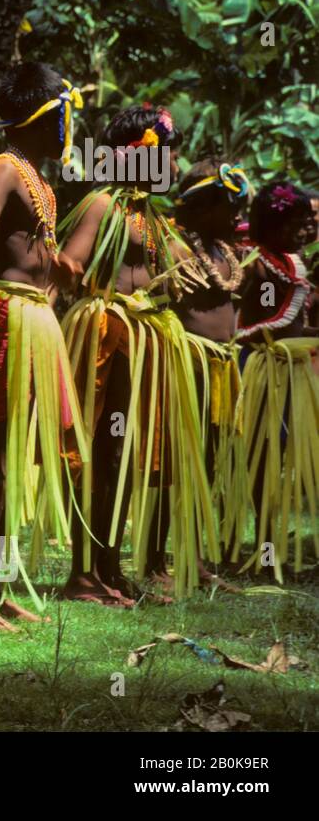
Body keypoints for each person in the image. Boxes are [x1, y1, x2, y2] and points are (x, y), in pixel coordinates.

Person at [0, 62, 87, 630]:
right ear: (45, 115)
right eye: (66, 115)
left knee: (10, 466)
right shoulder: (5, 168)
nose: (69, 127)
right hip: (4, 317)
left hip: (33, 319)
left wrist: (57, 267)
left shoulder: (35, 178)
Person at [56, 104, 210, 601]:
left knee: (122, 455)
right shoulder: (103, 205)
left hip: (143, 339)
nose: (174, 169)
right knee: (98, 451)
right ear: (137, 157)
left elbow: (171, 272)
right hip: (107, 334)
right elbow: (70, 264)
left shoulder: (151, 216)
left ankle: (108, 567)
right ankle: (83, 573)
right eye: (166, 157)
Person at [169, 159, 249, 588]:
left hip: (224, 367)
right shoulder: (177, 245)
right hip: (189, 364)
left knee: (211, 461)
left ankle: (197, 559)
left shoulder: (227, 252)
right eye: (228, 205)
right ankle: (169, 559)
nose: (236, 215)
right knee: (184, 462)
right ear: (200, 207)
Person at [234, 179, 319, 580]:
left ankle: (269, 552)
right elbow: (256, 321)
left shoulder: (286, 262)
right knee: (263, 464)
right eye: (298, 222)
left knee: (281, 463)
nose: (305, 231)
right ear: (273, 224)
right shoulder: (258, 264)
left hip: (289, 375)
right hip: (262, 371)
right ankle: (264, 555)